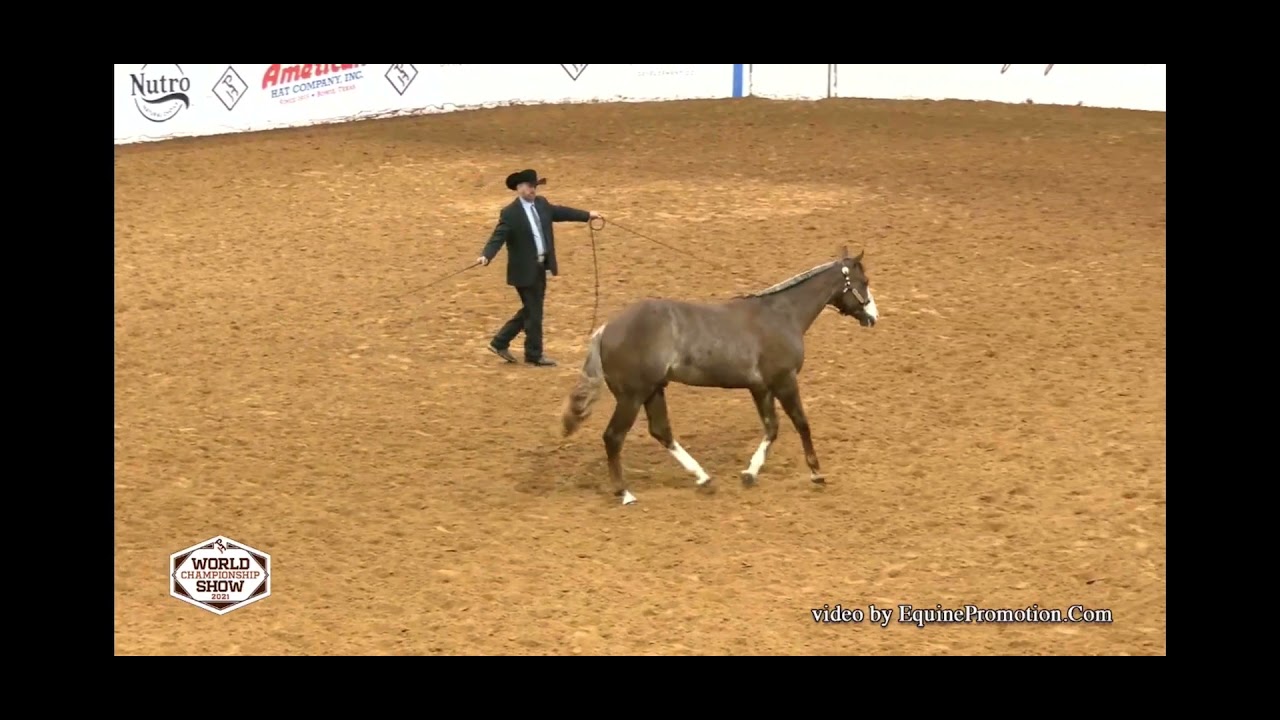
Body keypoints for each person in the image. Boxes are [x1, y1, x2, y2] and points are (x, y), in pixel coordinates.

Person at [477, 168, 603, 367]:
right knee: (534, 312)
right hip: (523, 271)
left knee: (531, 310)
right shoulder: (510, 213)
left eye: (534, 186)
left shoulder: (542, 204)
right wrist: (486, 255)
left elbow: (562, 212)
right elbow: (498, 236)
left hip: (540, 267)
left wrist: (587, 215)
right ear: (519, 188)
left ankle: (500, 342)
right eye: (529, 186)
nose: (533, 189)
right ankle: (533, 354)